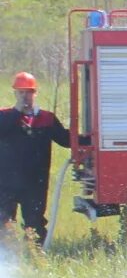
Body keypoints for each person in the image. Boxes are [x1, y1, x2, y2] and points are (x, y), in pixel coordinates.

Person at [0, 72, 72, 244]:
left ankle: (36, 257)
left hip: (35, 182)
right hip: (5, 183)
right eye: (21, 92)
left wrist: (90, 137)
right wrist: (18, 111)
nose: (25, 96)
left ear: (35, 93)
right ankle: (6, 260)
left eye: (29, 92)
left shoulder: (46, 118)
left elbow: (65, 140)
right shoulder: (4, 116)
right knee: (4, 223)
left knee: (35, 224)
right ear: (15, 94)